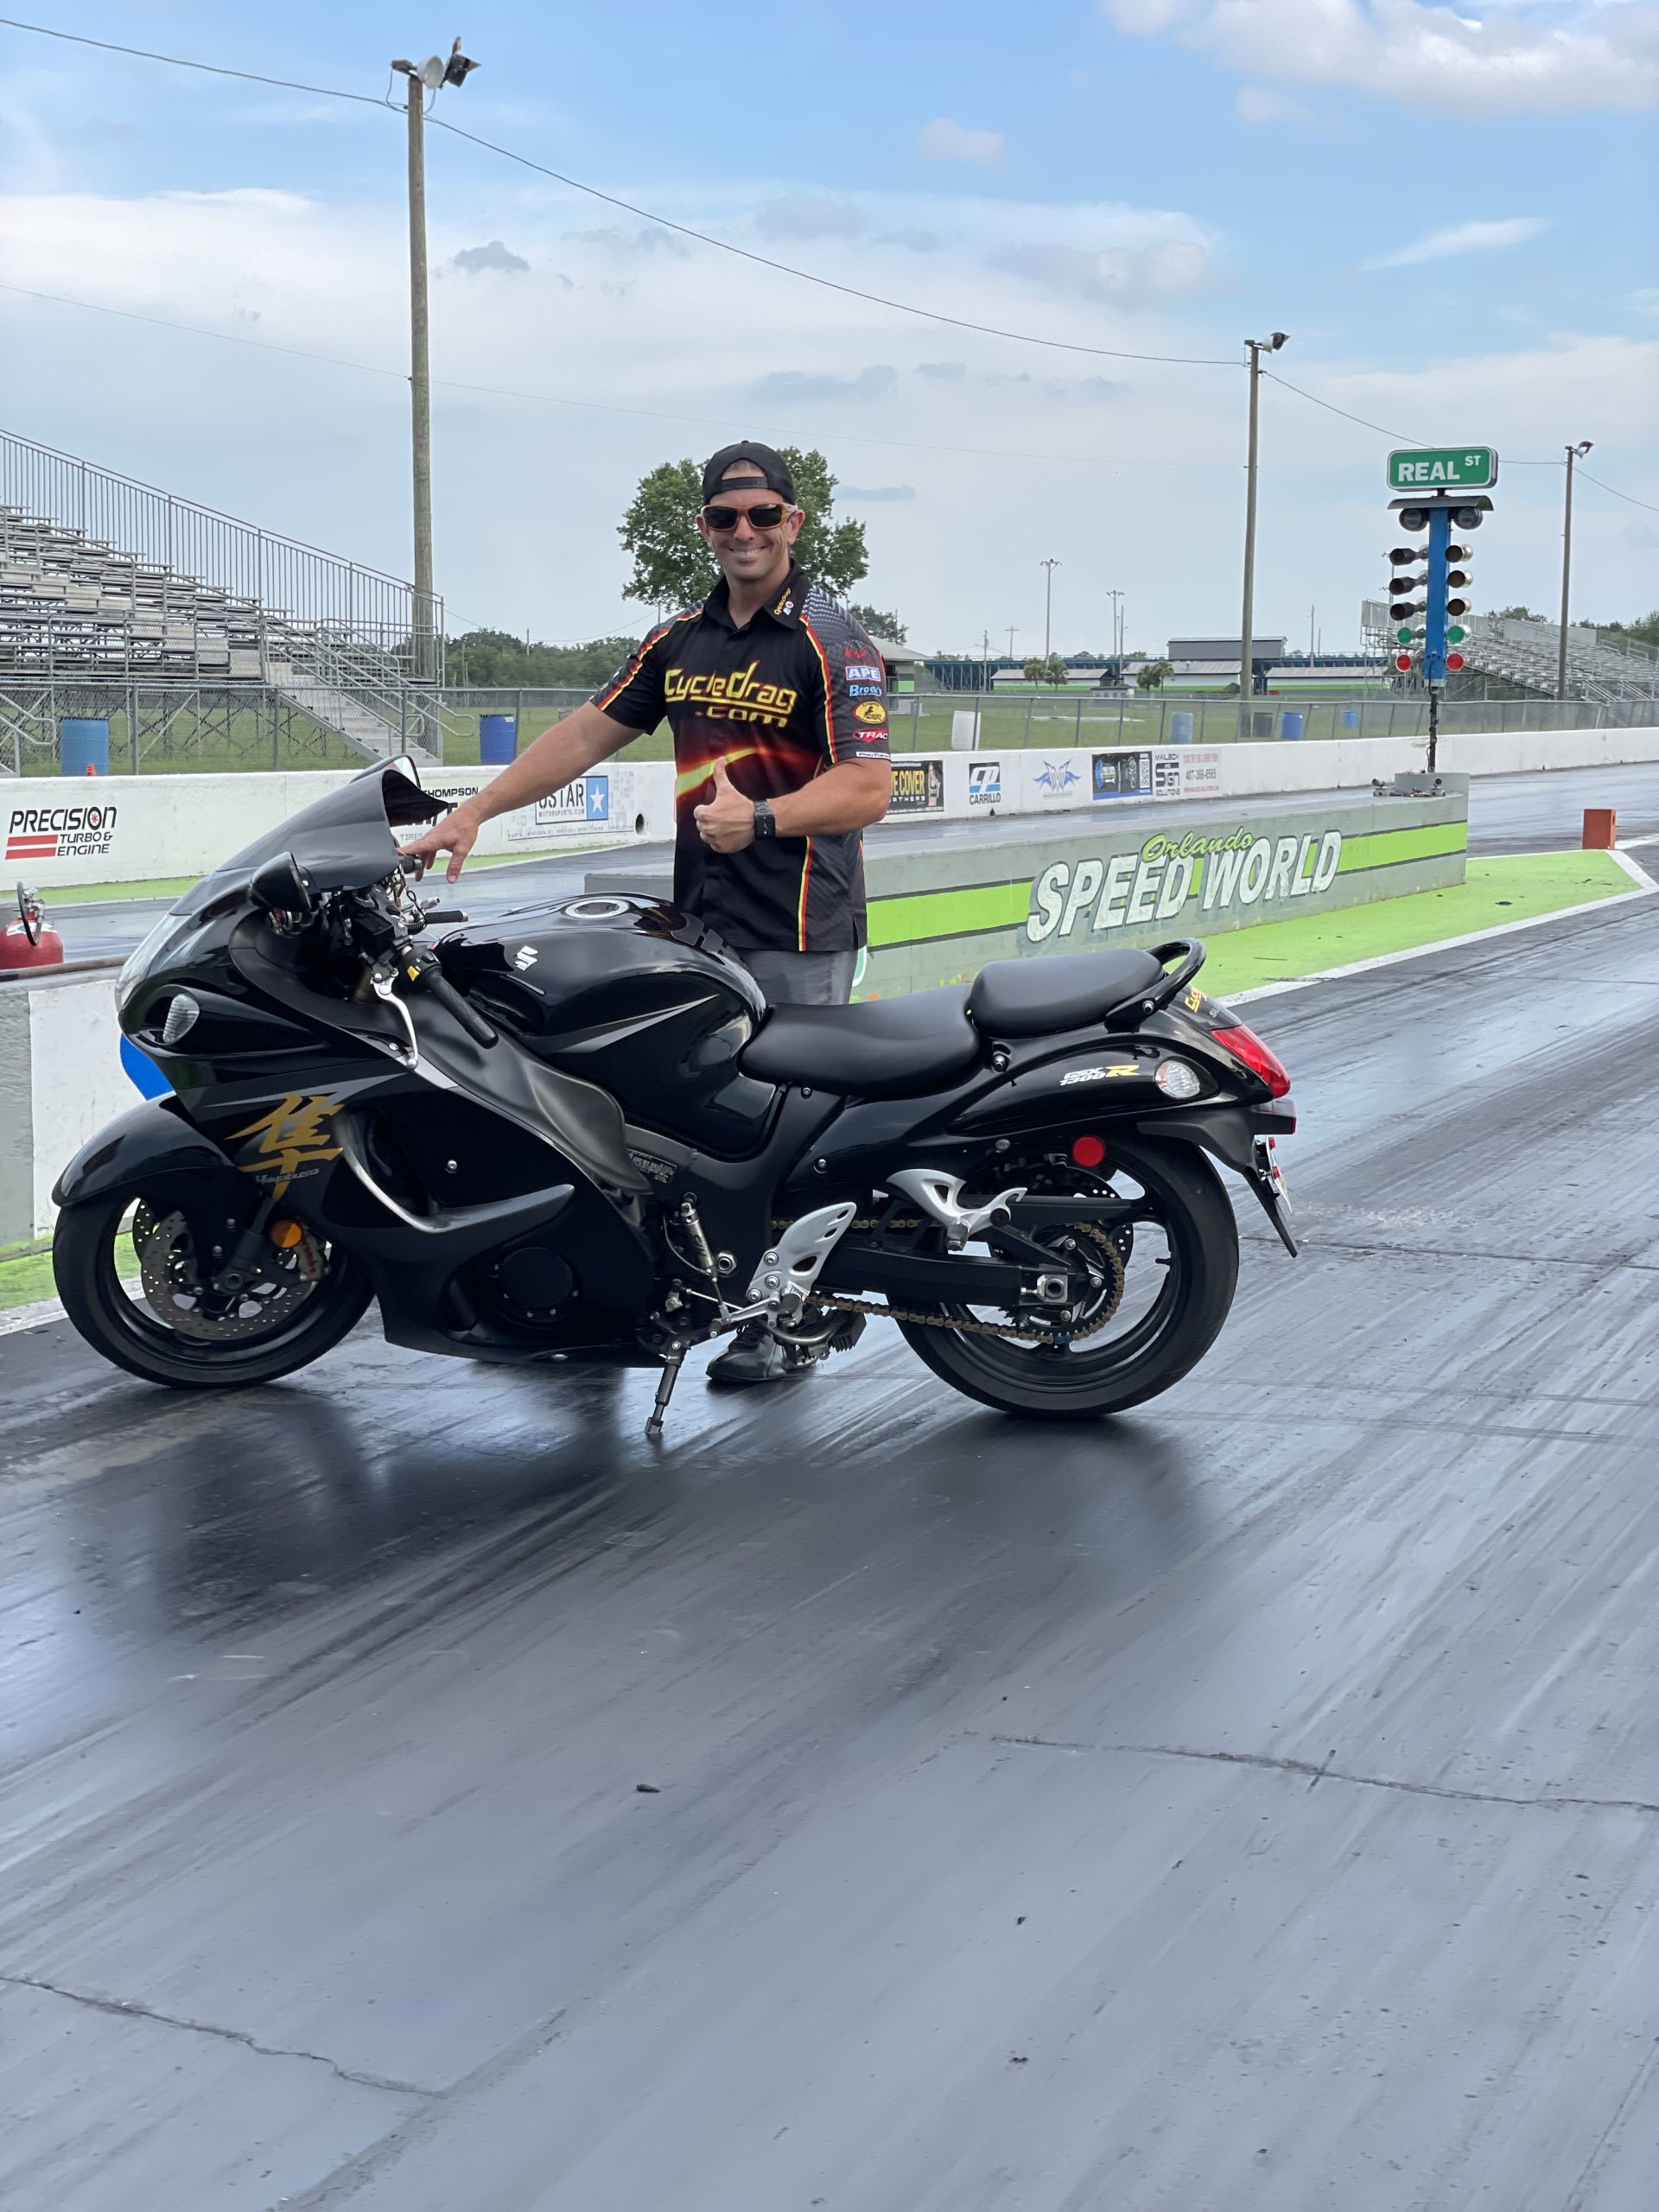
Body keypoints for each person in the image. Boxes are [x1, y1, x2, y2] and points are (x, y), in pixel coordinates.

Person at [398, 439, 893, 1386]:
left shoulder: (831, 637)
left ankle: (797, 1321)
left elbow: (869, 788)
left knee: (792, 1139)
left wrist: (765, 817)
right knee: (692, 1124)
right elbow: (586, 732)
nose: (742, 533)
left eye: (761, 516)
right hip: (698, 923)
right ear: (704, 528)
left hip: (798, 924)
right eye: (723, 517)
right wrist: (472, 811)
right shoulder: (678, 639)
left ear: (793, 523)